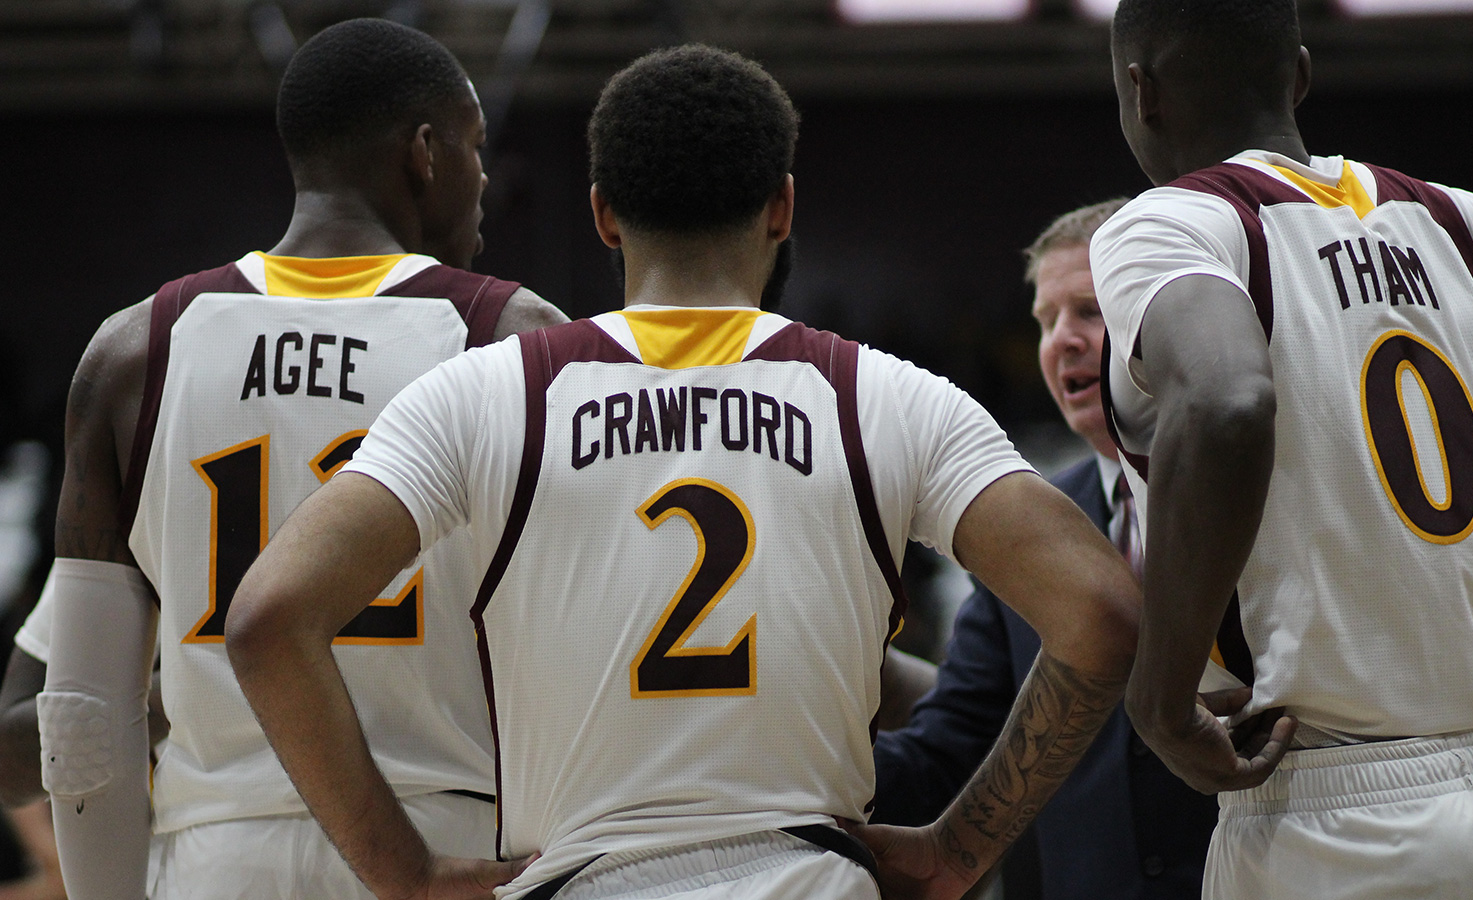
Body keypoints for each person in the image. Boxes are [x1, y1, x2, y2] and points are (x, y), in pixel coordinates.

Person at [224, 44, 1142, 900]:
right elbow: (1099, 613)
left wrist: (408, 876)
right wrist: (961, 844)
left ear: (602, 214)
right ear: (782, 206)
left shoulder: (483, 393)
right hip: (811, 877)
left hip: (582, 876)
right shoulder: (892, 397)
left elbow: (267, 618)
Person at [35, 18, 566, 900]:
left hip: (215, 854)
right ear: (426, 153)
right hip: (446, 843)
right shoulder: (514, 338)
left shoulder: (133, 351)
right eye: (475, 148)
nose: (482, 179)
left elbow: (83, 718)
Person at [1093, 1, 1473, 897]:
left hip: (1315, 809)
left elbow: (1226, 404)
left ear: (1142, 91)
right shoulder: (1460, 223)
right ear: (1299, 74)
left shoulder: (1170, 224)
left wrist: (1159, 702)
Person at [873, 198, 1217, 900]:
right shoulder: (1028, 525)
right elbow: (947, 754)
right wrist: (796, 764)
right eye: (1046, 320)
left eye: (1089, 312)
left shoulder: (1260, 497)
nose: (1062, 339)